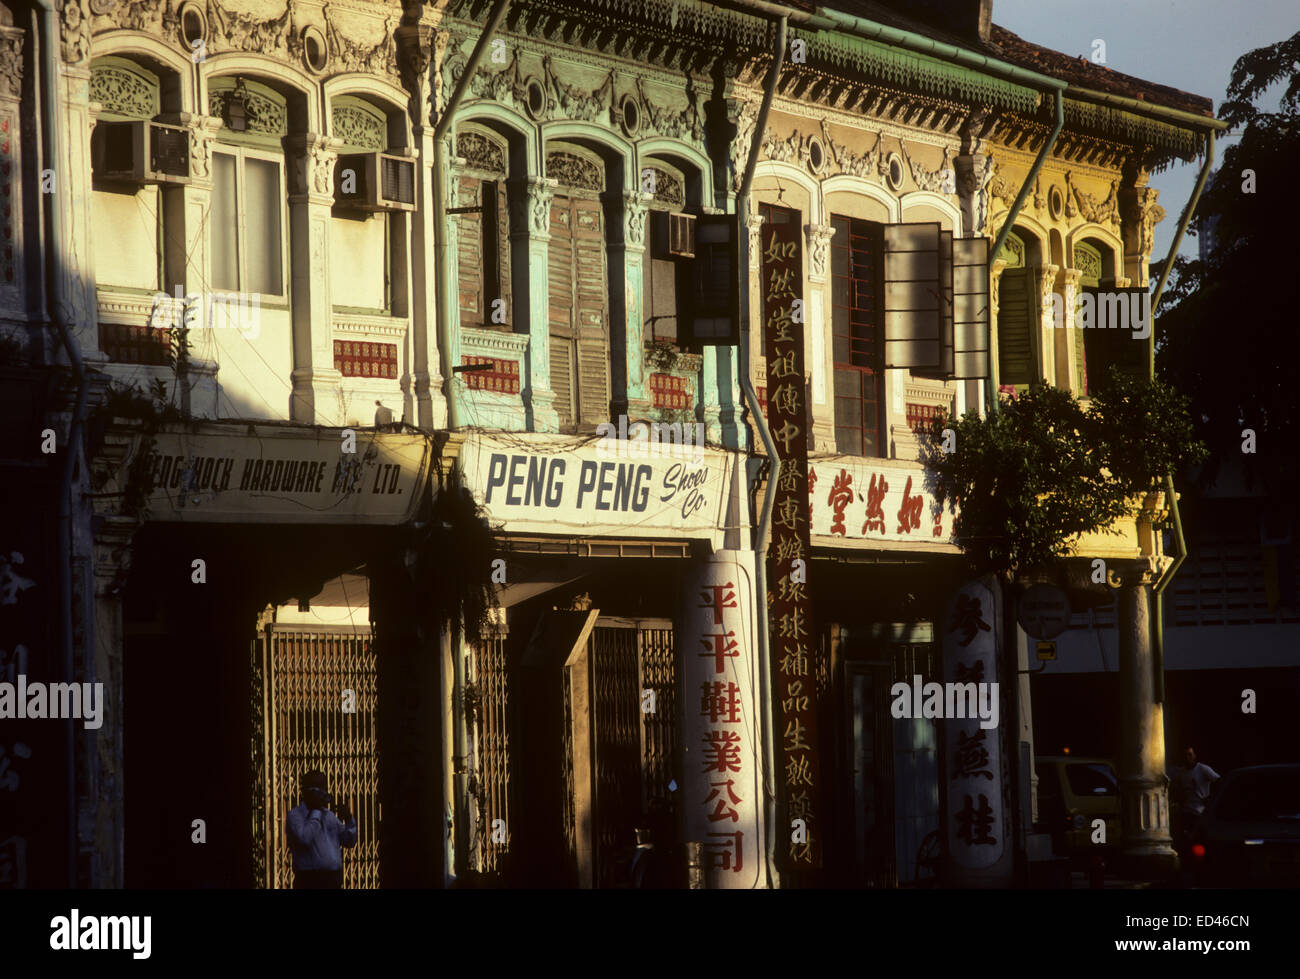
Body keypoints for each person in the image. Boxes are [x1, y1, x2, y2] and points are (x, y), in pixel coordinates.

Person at [286, 770, 357, 889]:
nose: (321, 792)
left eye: (323, 787)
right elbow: (305, 838)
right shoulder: (295, 815)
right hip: (310, 880)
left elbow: (349, 841)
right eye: (316, 788)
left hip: (332, 880)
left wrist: (349, 819)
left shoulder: (328, 815)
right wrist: (316, 811)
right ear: (305, 791)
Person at [1170, 746, 1220, 850]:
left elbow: (1218, 780)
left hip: (1199, 811)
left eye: (1190, 754)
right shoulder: (1181, 772)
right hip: (1186, 811)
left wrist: (1210, 799)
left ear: (1194, 756)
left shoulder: (1202, 769)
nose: (1187, 757)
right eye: (1185, 755)